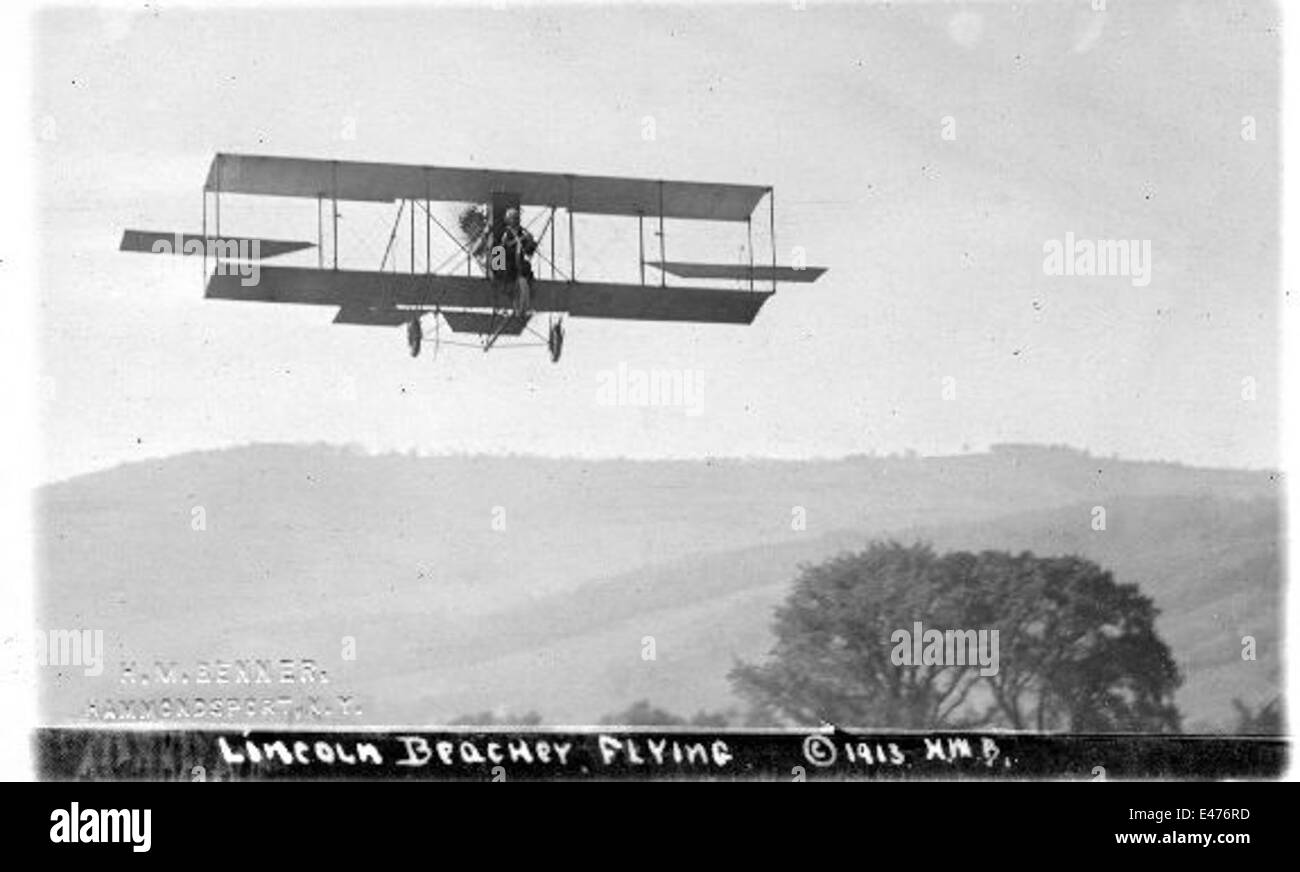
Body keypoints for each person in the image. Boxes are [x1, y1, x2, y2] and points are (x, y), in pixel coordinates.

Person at [495, 207, 537, 318]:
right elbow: (500, 249)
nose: (516, 220)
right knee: (508, 276)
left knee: (527, 270)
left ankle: (525, 303)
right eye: (513, 218)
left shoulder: (521, 233)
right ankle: (509, 302)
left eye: (517, 218)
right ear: (508, 220)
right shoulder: (504, 233)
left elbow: (528, 251)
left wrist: (531, 243)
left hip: (519, 262)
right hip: (508, 261)